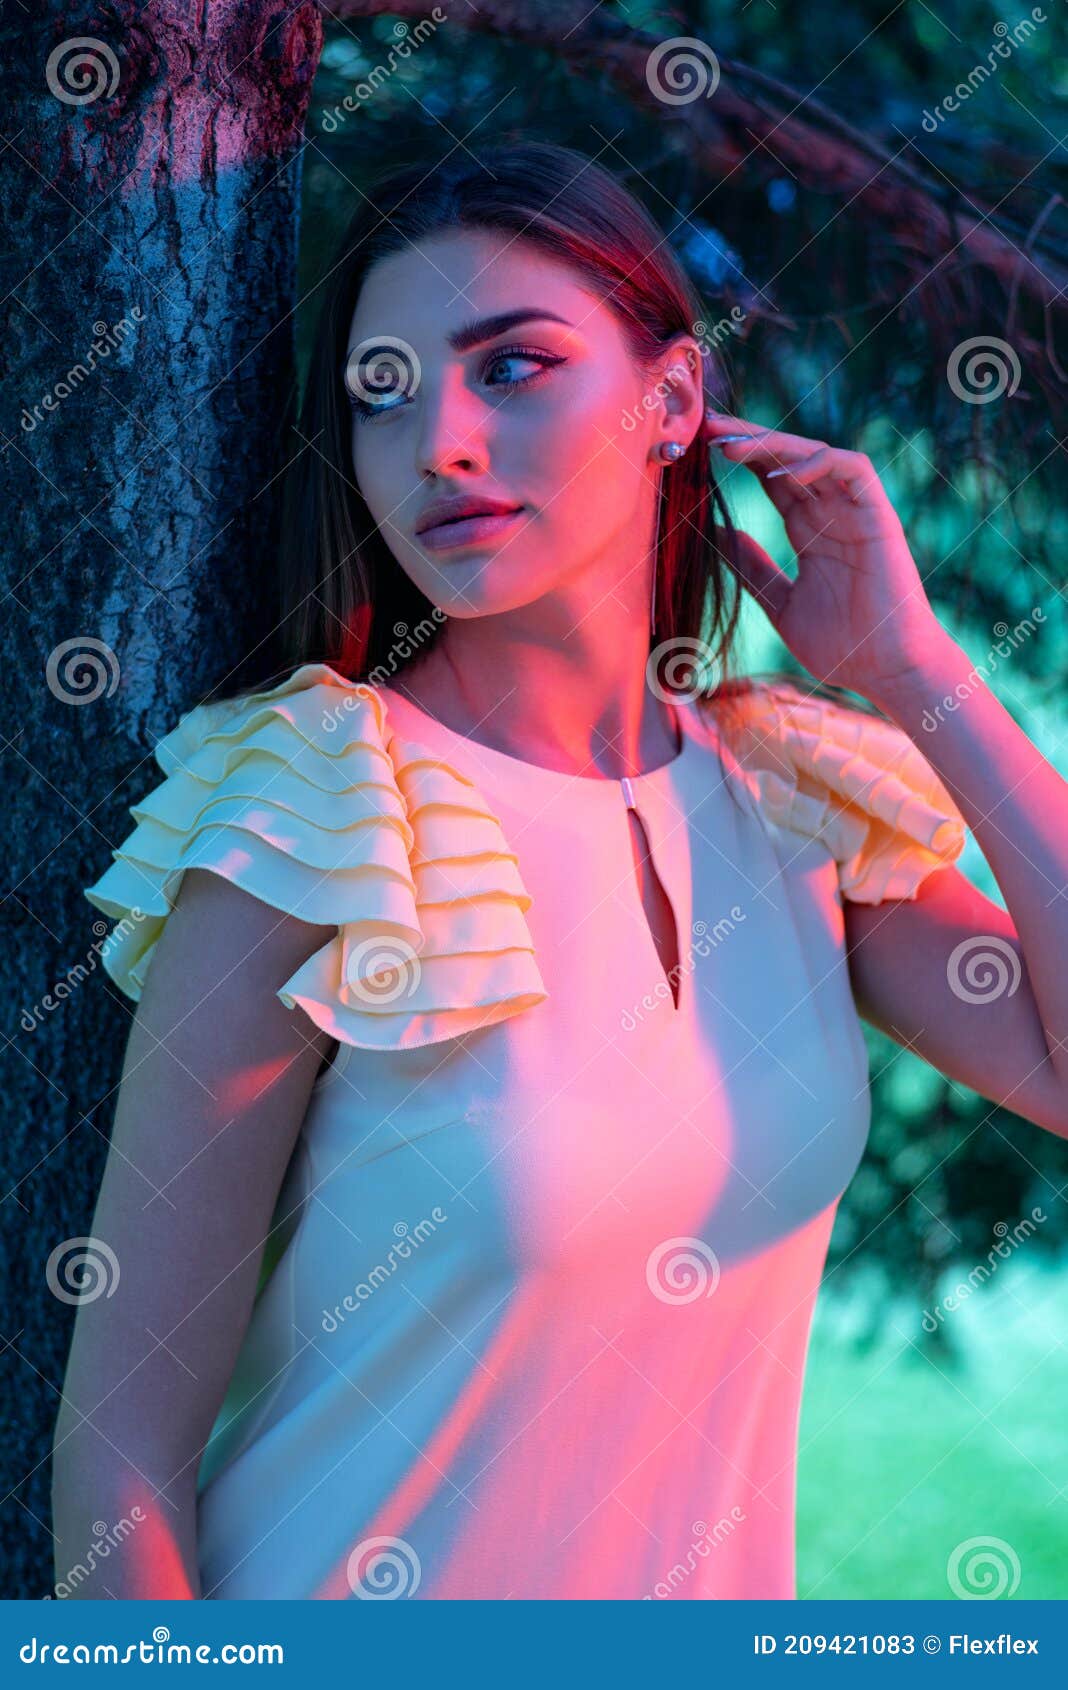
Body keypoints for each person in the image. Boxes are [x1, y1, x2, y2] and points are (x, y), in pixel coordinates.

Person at [52, 140, 1068, 1601]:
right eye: (381, 395)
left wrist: (915, 671)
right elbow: (118, 1458)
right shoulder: (314, 813)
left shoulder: (792, 803)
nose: (440, 443)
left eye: (511, 368)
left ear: (672, 399)